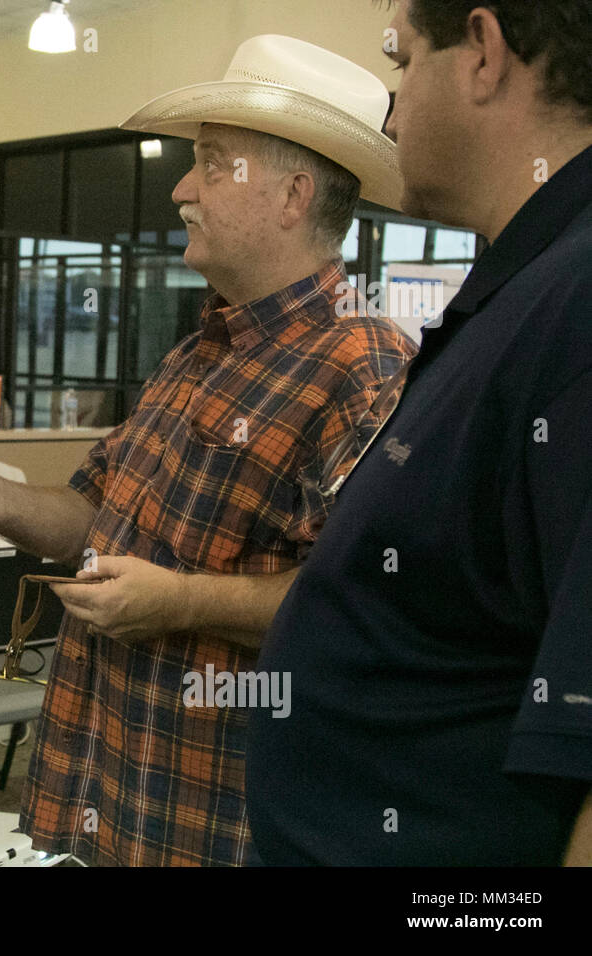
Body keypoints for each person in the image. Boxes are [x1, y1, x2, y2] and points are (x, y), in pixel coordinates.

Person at [0, 35, 416, 866]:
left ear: (291, 195)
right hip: (117, 785)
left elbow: (363, 606)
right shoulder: (197, 351)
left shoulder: (366, 365)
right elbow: (94, 516)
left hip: (222, 817)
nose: (179, 189)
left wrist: (179, 601)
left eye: (210, 164)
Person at [247, 0, 592, 866]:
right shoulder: (526, 289)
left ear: (482, 52)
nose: (393, 112)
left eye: (402, 62)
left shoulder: (579, 305)